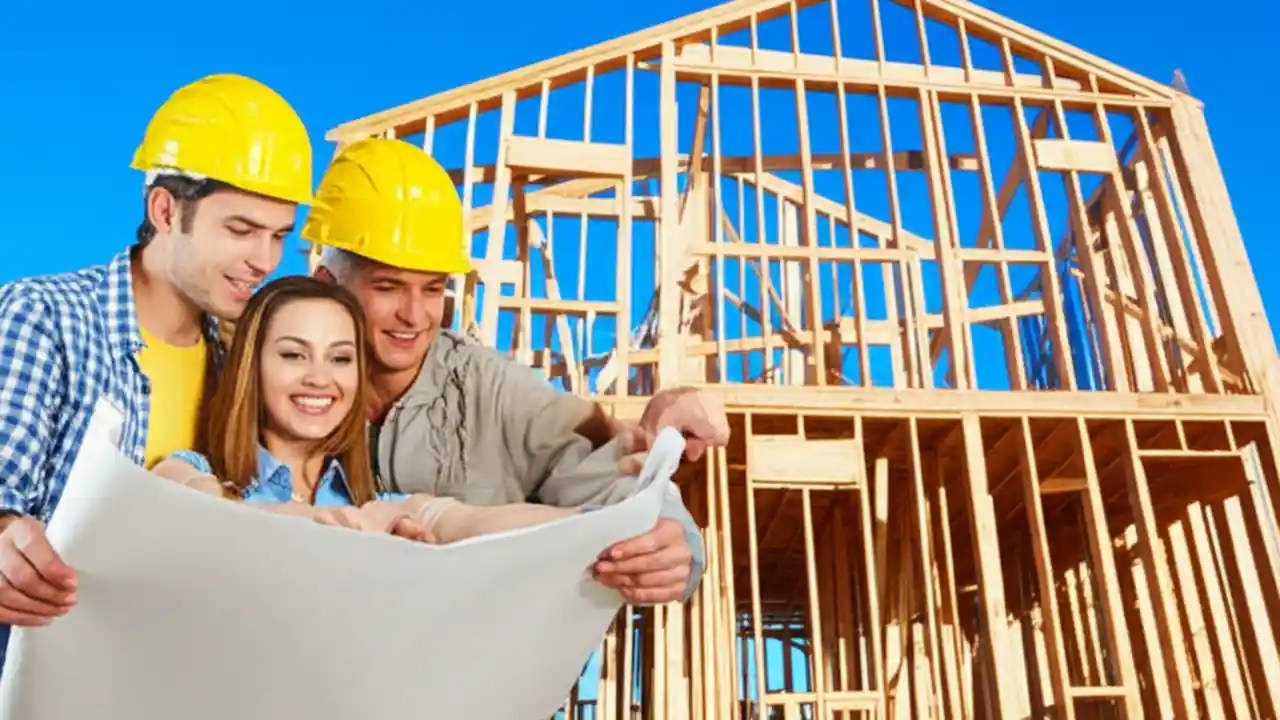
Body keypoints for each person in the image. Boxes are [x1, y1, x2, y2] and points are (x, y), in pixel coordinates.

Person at [306, 137, 731, 605]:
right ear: (328, 286)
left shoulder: (491, 390)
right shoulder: (277, 381)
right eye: (388, 287)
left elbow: (607, 468)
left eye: (432, 289)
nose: (414, 315)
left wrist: (673, 541)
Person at [0, 74, 313, 646]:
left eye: (278, 236)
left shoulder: (244, 356)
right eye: (241, 230)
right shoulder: (47, 316)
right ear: (166, 211)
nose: (264, 260)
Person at [152, 275, 580, 544]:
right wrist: (334, 525)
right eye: (294, 355)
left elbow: (471, 523)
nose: (320, 378)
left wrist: (596, 526)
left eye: (340, 358)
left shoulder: (374, 506)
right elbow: (212, 514)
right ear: (252, 367)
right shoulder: (192, 474)